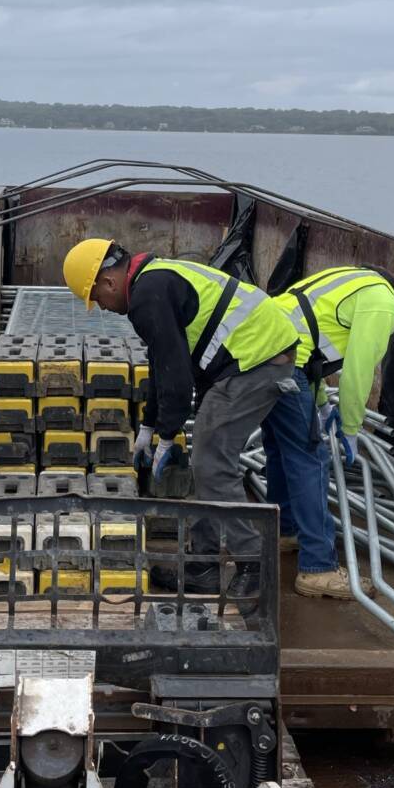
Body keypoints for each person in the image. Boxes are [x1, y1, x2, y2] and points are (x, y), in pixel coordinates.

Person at [62, 238, 301, 609]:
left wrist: (168, 435)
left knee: (211, 464)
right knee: (204, 463)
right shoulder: (153, 280)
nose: (105, 310)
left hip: (256, 360)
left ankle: (254, 564)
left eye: (99, 300)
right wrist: (148, 425)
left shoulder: (147, 295)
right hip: (242, 360)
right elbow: (162, 362)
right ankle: (203, 565)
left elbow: (177, 377)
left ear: (108, 282)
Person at [261, 258, 394, 599]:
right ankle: (318, 568)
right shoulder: (384, 304)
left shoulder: (359, 276)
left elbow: (311, 334)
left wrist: (321, 402)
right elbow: (358, 371)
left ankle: (284, 529)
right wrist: (350, 427)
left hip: (265, 351)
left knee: (279, 447)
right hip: (285, 361)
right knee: (311, 460)